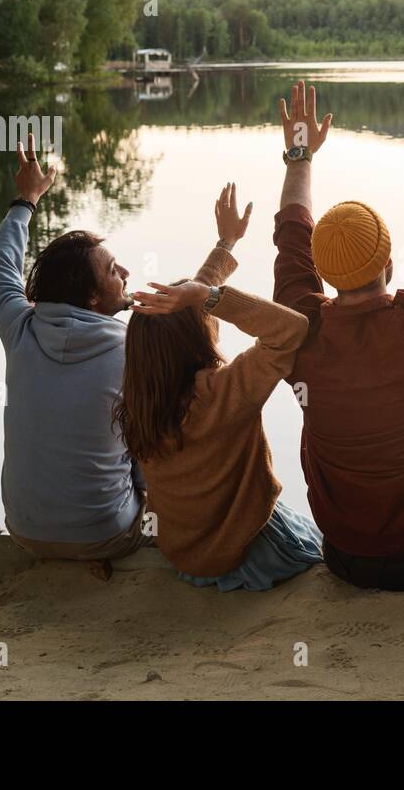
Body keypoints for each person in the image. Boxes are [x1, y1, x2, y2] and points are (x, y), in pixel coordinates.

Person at [272, 50, 404, 591]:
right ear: (389, 265)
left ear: (320, 273)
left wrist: (299, 154)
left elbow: (291, 234)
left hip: (351, 560)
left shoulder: (298, 329)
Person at [114, 184, 320, 590]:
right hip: (247, 554)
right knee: (321, 550)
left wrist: (225, 246)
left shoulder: (140, 399)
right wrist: (211, 295)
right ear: (197, 337)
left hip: (185, 557)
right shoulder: (223, 393)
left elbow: (188, 314)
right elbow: (291, 329)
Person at [0, 134, 148, 560]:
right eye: (114, 271)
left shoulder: (20, 329)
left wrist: (27, 199)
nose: (126, 272)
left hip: (24, 530)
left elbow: (0, 267)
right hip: (104, 535)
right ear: (93, 298)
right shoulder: (135, 347)